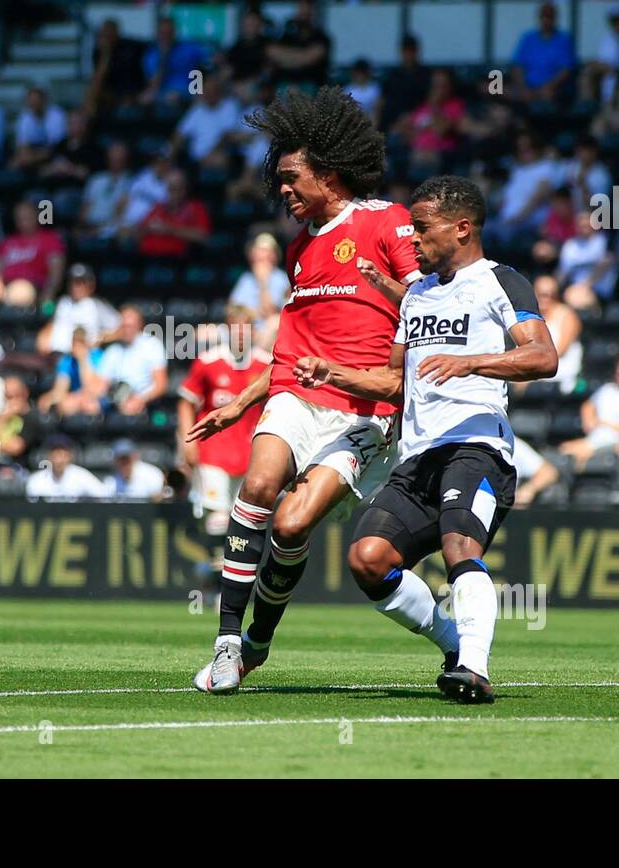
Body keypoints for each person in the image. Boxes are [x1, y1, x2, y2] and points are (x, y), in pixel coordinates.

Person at [185, 86, 422, 694]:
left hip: (367, 410)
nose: (284, 190)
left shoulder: (387, 221)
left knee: (291, 528)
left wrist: (390, 303)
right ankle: (228, 644)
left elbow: (431, 307)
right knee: (258, 486)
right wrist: (238, 404)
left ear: (329, 172)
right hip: (297, 394)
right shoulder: (299, 250)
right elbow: (292, 350)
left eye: (292, 178)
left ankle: (259, 639)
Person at [293, 175, 557, 704]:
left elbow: (543, 357)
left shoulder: (501, 282)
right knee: (368, 559)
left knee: (461, 546)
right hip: (417, 457)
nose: (411, 238)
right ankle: (455, 643)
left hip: (477, 446)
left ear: (461, 228)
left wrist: (472, 362)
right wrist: (334, 372)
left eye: (422, 227)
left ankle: (475, 671)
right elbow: (396, 381)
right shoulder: (414, 296)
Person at [177, 304, 271, 540]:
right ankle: (218, 572)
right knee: (217, 517)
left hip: (251, 454)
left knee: (245, 520)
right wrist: (188, 442)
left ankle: (233, 571)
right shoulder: (208, 361)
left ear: (253, 331)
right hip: (212, 453)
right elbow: (186, 402)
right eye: (236, 327)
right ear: (227, 329)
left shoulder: (266, 365)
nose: (241, 333)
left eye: (246, 328)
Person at [560, 354, 619, 470]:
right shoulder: (607, 389)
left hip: (613, 441)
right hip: (596, 437)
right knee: (563, 450)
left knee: (577, 454)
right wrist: (588, 420)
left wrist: (602, 423)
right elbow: (588, 405)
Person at [38, 263, 120, 356]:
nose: (75, 286)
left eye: (80, 282)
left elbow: (120, 328)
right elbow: (51, 325)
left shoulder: (96, 305)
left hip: (83, 358)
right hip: (55, 356)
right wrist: (43, 336)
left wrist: (101, 338)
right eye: (72, 282)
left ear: (90, 284)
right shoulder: (63, 302)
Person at [25, 434, 108, 500]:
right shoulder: (36, 480)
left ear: (70, 456)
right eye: (55, 455)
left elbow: (103, 496)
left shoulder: (81, 476)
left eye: (63, 455)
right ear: (48, 456)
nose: (59, 460)